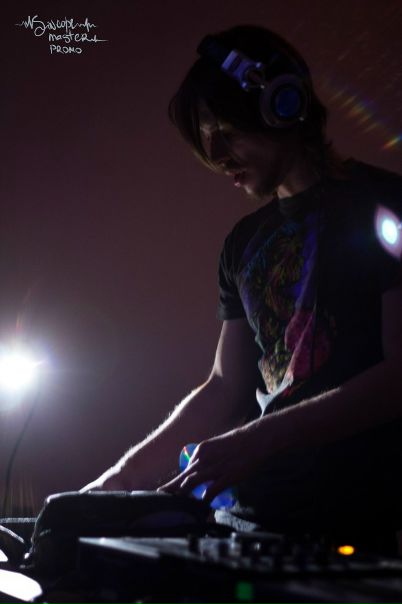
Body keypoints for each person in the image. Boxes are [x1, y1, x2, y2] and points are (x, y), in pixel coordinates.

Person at [83, 25, 402, 549]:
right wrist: (113, 486)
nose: (216, 155)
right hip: (250, 528)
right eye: (206, 140)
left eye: (226, 132)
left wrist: (257, 438)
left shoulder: (386, 205)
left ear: (283, 105)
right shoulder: (243, 243)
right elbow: (224, 387)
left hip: (359, 529)